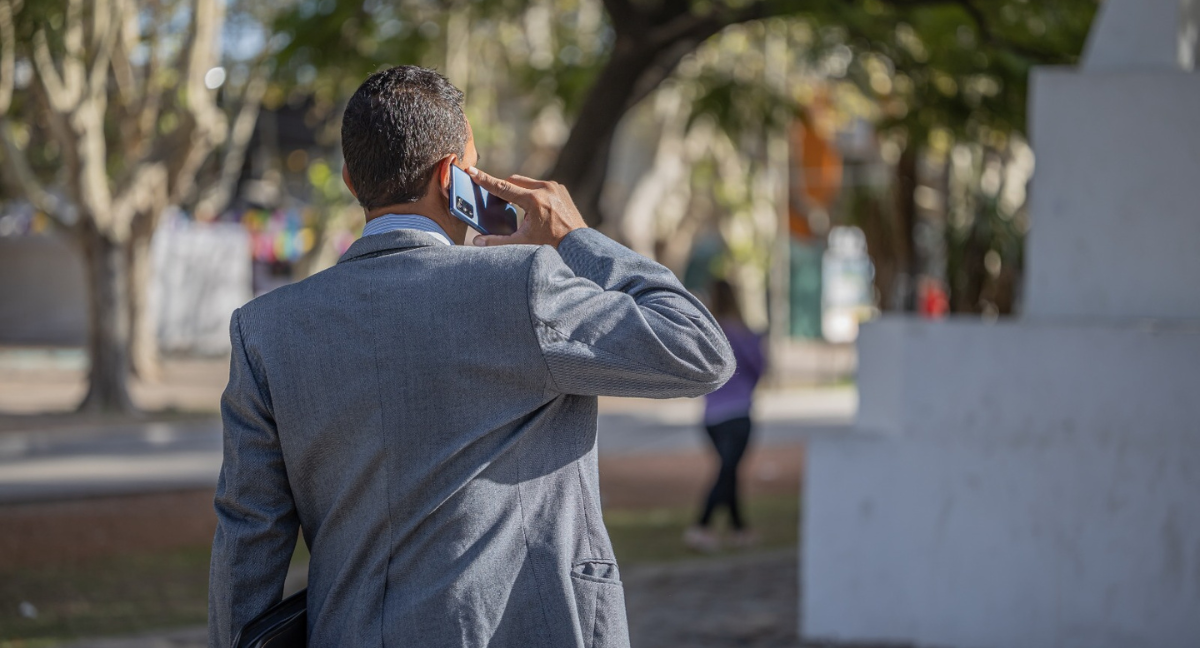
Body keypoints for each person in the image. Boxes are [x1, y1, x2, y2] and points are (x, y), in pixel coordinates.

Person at [207, 65, 734, 648]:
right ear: (454, 175)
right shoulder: (526, 283)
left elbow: (248, 537)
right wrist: (574, 238)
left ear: (351, 180)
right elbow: (700, 348)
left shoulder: (265, 329)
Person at [683, 279, 766, 552]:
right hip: (738, 413)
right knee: (727, 471)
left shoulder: (705, 334)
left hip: (711, 416)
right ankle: (702, 526)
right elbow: (759, 367)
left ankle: (739, 529)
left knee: (729, 471)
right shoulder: (742, 333)